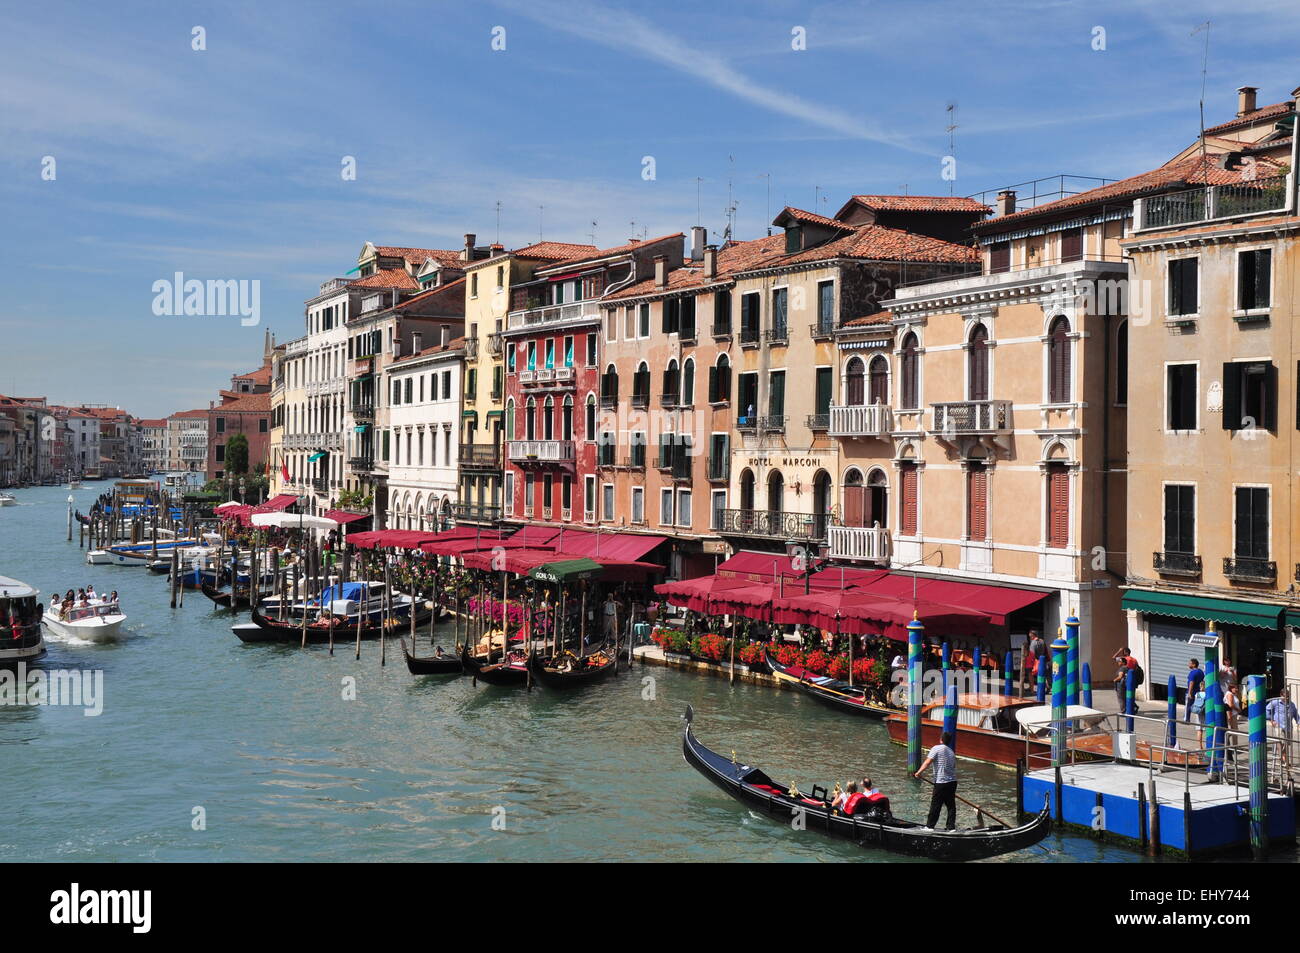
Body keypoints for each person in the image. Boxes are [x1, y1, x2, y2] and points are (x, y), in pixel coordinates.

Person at [915, 731, 958, 830]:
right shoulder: (952, 752)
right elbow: (953, 767)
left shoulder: (936, 748)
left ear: (941, 740)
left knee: (936, 805)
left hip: (941, 782)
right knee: (951, 805)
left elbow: (928, 762)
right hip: (952, 782)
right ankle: (951, 827)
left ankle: (929, 826)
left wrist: (918, 772)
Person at [1185, 658, 1205, 723]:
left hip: (1193, 692)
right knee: (1199, 705)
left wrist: (1189, 693)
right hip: (1199, 692)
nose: (1188, 664)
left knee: (1189, 705)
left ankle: (1187, 719)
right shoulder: (1201, 672)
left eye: (1190, 663)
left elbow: (1191, 683)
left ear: (1194, 664)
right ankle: (1201, 720)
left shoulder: (1193, 673)